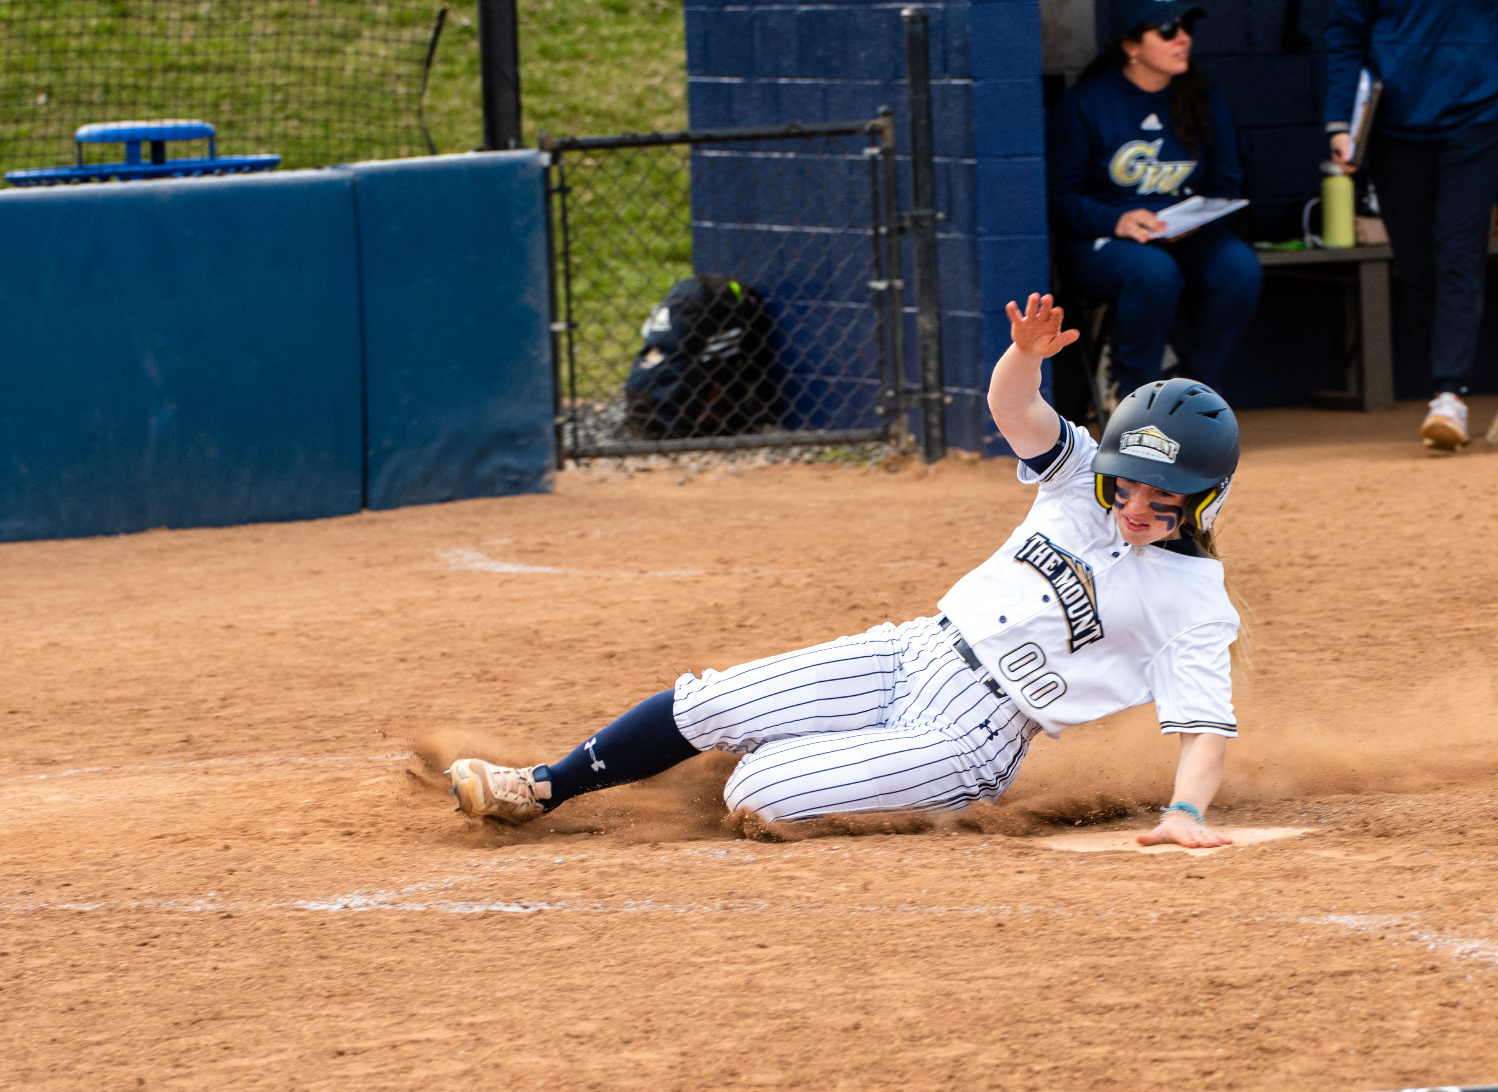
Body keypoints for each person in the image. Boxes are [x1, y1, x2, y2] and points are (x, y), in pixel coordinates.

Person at [447, 295, 1244, 849]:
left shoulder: (1192, 599)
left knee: (756, 792)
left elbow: (1205, 725)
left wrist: (1182, 811)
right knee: (711, 699)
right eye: (1127, 482)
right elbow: (1015, 411)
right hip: (913, 649)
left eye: (1163, 494)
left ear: (1208, 498)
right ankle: (541, 785)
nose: (1135, 504)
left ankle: (830, 764)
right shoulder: (1076, 479)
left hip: (974, 735)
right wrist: (1022, 356)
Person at [1323, 0, 1498, 452]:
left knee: (1458, 250)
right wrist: (1340, 122)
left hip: (1479, 118)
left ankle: (1450, 395)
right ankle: (1443, 388)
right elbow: (1346, 33)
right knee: (1417, 262)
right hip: (1393, 125)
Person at [1046, 0, 1261, 401]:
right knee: (1153, 272)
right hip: (1107, 239)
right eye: (1166, 30)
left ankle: (1195, 395)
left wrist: (1197, 220)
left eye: (1186, 27)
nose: (1182, 38)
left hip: (1184, 234)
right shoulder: (1087, 103)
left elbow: (1227, 185)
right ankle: (1137, 399)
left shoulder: (1203, 96)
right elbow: (1061, 196)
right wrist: (1118, 221)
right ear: (1131, 45)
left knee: (1240, 269)